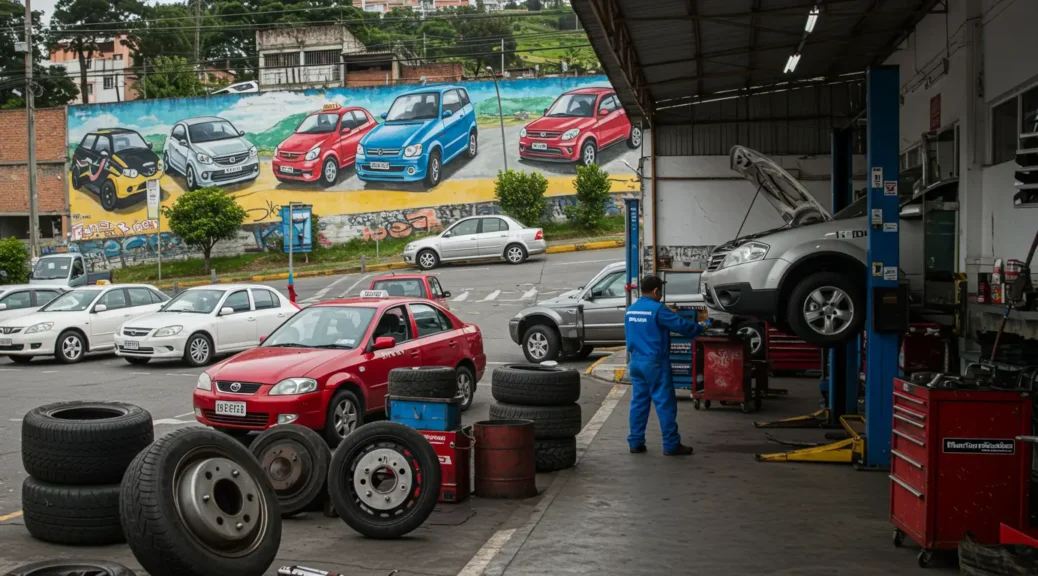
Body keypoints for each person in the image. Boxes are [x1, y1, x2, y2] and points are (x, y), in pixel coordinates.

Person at [625, 274, 708, 456]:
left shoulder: (631, 310)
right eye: (660, 291)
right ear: (656, 291)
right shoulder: (657, 309)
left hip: (636, 362)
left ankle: (636, 442)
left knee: (639, 402)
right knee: (665, 403)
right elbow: (682, 326)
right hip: (655, 362)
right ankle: (671, 445)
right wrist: (703, 326)